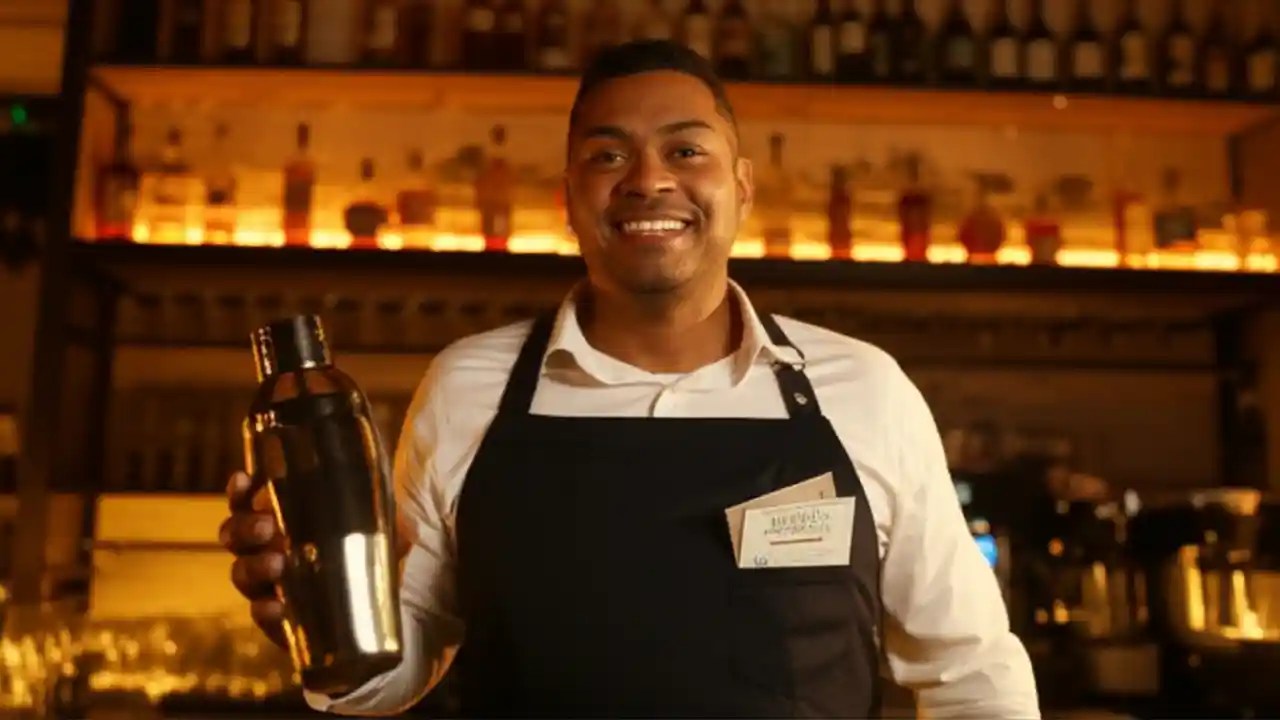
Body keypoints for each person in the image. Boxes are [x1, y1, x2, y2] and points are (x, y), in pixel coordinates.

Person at [220, 40, 1040, 718]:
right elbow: (405, 662)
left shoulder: (864, 389)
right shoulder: (470, 386)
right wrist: (321, 624)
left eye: (686, 149)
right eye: (607, 155)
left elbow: (969, 674)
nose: (648, 179)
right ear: (569, 199)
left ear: (742, 188)